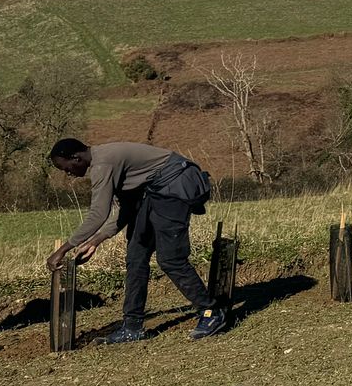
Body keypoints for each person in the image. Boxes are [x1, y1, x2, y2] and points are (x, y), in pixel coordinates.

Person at [47, 139, 227, 342]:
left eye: (66, 168)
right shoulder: (104, 162)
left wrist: (62, 250)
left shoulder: (102, 165)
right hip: (155, 192)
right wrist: (96, 240)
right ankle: (132, 327)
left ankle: (211, 312)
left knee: (170, 258)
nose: (68, 173)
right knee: (136, 256)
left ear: (76, 158)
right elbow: (127, 209)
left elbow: (98, 214)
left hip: (176, 184)